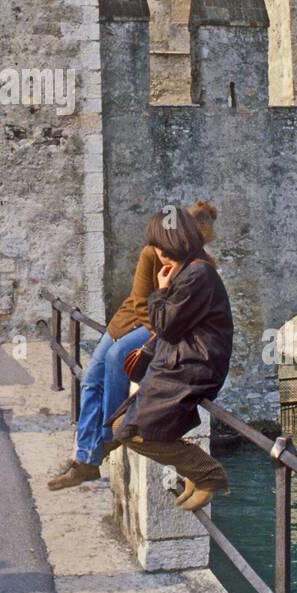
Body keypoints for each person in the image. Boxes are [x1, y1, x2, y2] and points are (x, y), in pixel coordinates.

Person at [48, 199, 218, 491]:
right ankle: (86, 459)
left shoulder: (202, 265)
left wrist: (166, 327)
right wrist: (161, 325)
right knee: (90, 381)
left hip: (158, 329)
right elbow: (140, 302)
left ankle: (104, 440)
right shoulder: (152, 253)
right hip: (134, 321)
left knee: (117, 357)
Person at [104, 204, 234, 512]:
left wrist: (160, 291)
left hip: (192, 366)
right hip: (179, 363)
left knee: (133, 433)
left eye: (159, 243)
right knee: (122, 425)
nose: (156, 250)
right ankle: (192, 469)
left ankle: (208, 474)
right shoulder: (191, 270)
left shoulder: (197, 274)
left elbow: (166, 326)